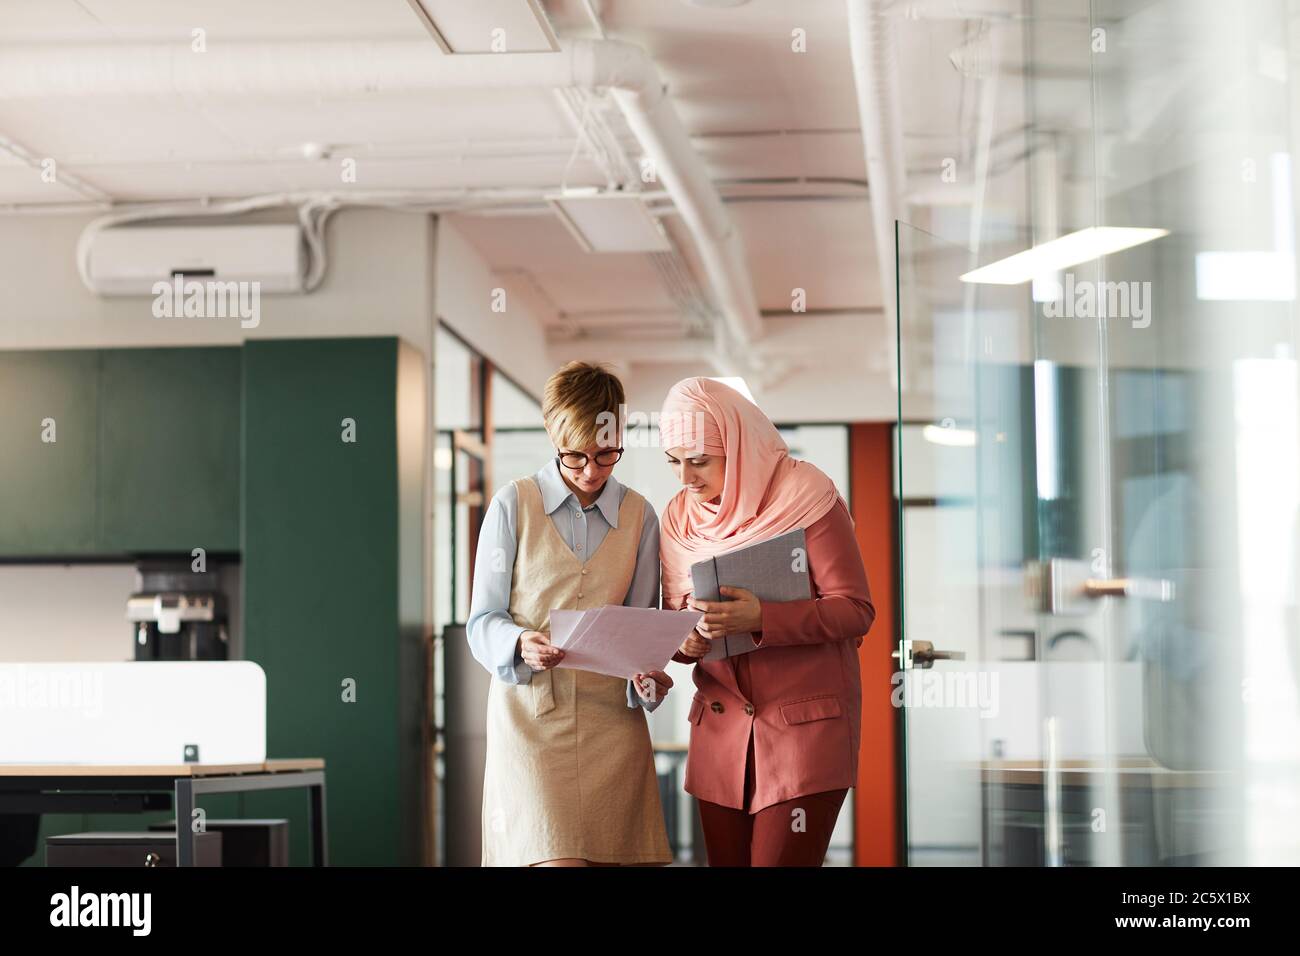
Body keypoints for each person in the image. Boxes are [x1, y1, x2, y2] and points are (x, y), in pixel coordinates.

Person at [658, 377, 875, 866]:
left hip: (802, 733)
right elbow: (673, 620)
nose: (685, 477)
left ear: (736, 448)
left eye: (699, 460)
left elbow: (855, 609)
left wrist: (762, 617)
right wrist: (686, 641)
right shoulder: (677, 519)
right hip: (719, 737)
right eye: (673, 461)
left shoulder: (805, 494)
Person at [467, 361, 673, 867]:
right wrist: (519, 641)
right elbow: (482, 620)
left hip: (613, 729)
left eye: (606, 454)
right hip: (532, 726)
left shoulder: (641, 515)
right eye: (574, 455)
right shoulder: (512, 505)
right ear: (551, 435)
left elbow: (640, 633)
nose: (590, 470)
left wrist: (648, 680)